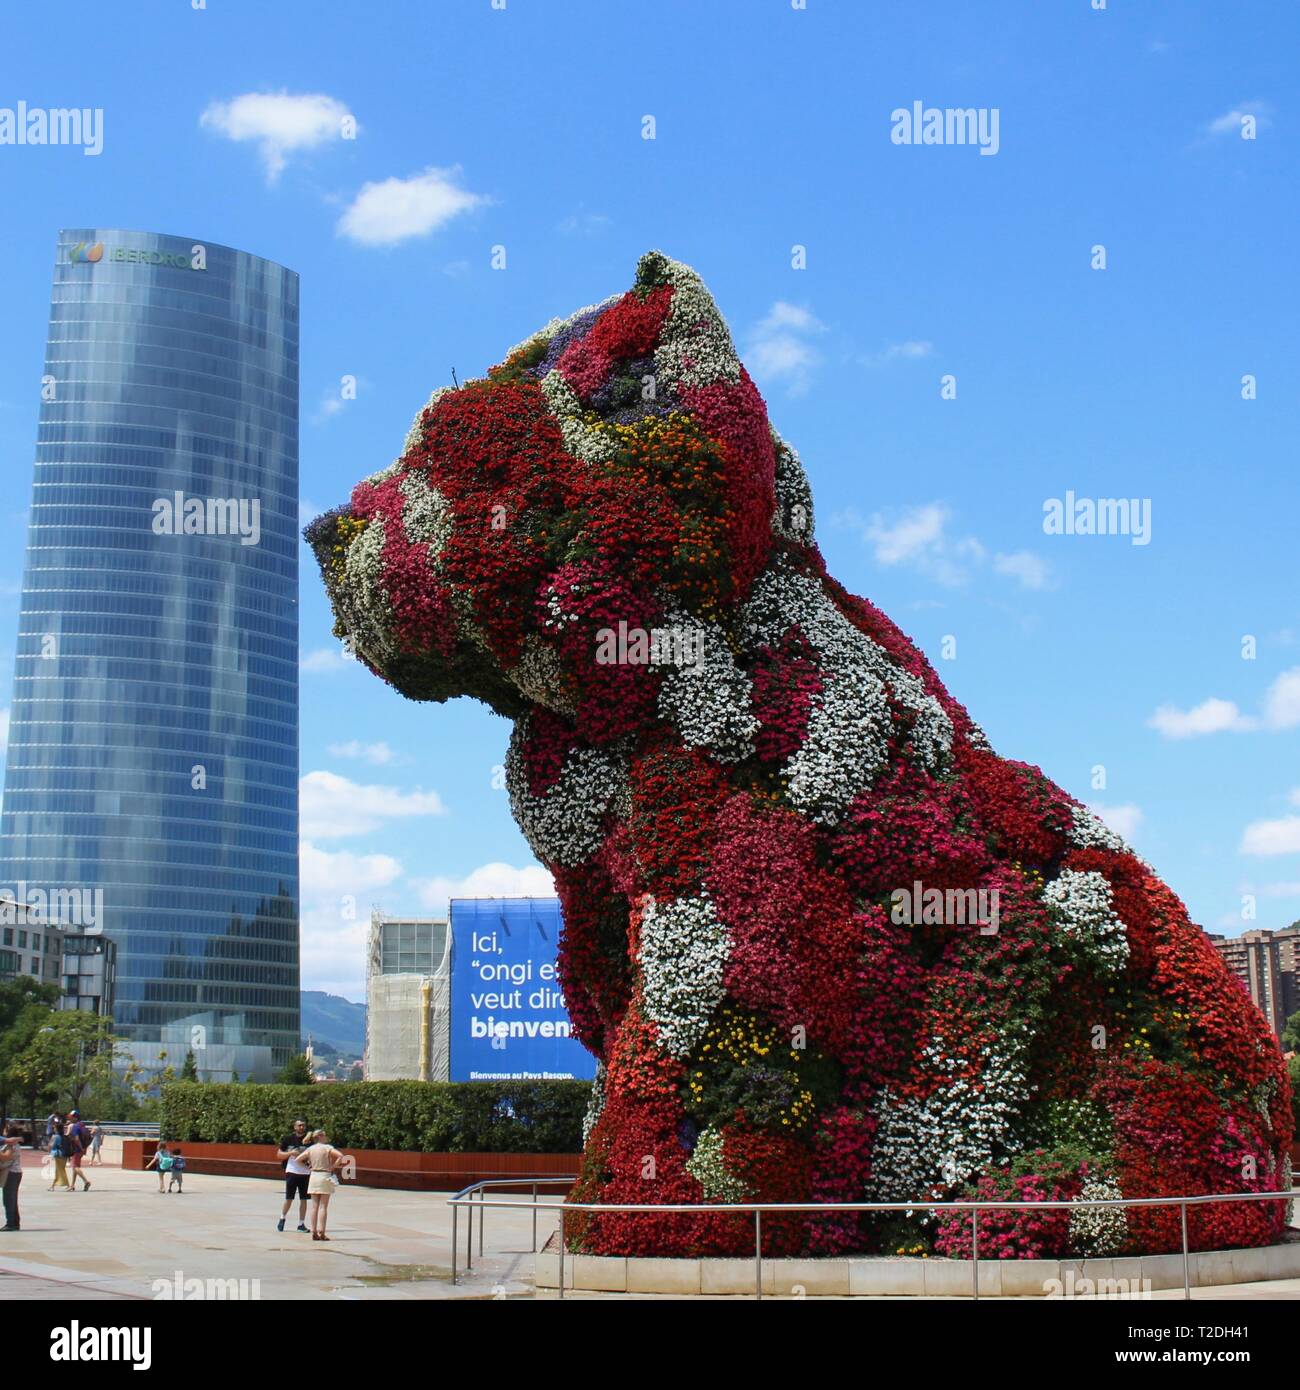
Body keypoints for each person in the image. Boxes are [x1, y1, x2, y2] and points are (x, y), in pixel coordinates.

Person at [301, 1129, 345, 1241]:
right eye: (325, 1135)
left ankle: (314, 1230)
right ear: (320, 1136)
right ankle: (322, 1231)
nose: (326, 1137)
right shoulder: (327, 1148)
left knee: (314, 1206)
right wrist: (333, 1167)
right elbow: (340, 1156)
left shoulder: (310, 1148)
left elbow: (298, 1159)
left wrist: (308, 1166)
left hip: (314, 1176)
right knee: (323, 1206)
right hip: (325, 1175)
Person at [276, 1119, 312, 1233]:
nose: (301, 1127)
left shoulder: (310, 1140)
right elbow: (279, 1155)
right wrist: (291, 1153)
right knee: (289, 1198)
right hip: (292, 1171)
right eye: (299, 1125)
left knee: (304, 1199)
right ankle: (282, 1218)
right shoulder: (288, 1139)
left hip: (305, 1173)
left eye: (303, 1125)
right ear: (295, 1127)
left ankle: (301, 1224)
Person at [0, 1122, 22, 1231]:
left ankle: (11, 1223)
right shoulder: (13, 1144)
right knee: (12, 1199)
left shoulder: (10, 1145)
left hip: (11, 1173)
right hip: (15, 1172)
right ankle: (14, 1222)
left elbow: (6, 1157)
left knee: (8, 1199)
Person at [65, 1113, 91, 1192]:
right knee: (75, 1168)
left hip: (77, 1149)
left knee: (75, 1167)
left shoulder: (75, 1126)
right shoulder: (82, 1125)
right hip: (82, 1149)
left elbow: (76, 1139)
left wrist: (80, 1147)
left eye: (71, 1117)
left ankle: (86, 1181)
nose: (70, 1119)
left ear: (76, 1118)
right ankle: (72, 1185)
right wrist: (83, 1148)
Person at [47, 1123, 70, 1190]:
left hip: (58, 1155)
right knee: (60, 1170)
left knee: (60, 1170)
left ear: (56, 1129)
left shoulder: (55, 1136)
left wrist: (49, 1152)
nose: (53, 1129)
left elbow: (50, 1146)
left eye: (54, 1128)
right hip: (65, 1154)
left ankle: (68, 1185)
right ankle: (53, 1186)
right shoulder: (64, 1136)